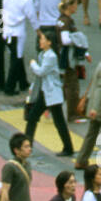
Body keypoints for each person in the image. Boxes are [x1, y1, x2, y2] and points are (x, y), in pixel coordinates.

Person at [25, 29, 74, 157]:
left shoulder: (51, 56)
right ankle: (26, 146)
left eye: (42, 39)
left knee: (58, 122)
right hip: (45, 93)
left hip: (52, 94)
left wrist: (33, 64)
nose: (40, 41)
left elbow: (41, 72)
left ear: (49, 42)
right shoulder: (44, 54)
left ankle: (68, 148)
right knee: (33, 118)